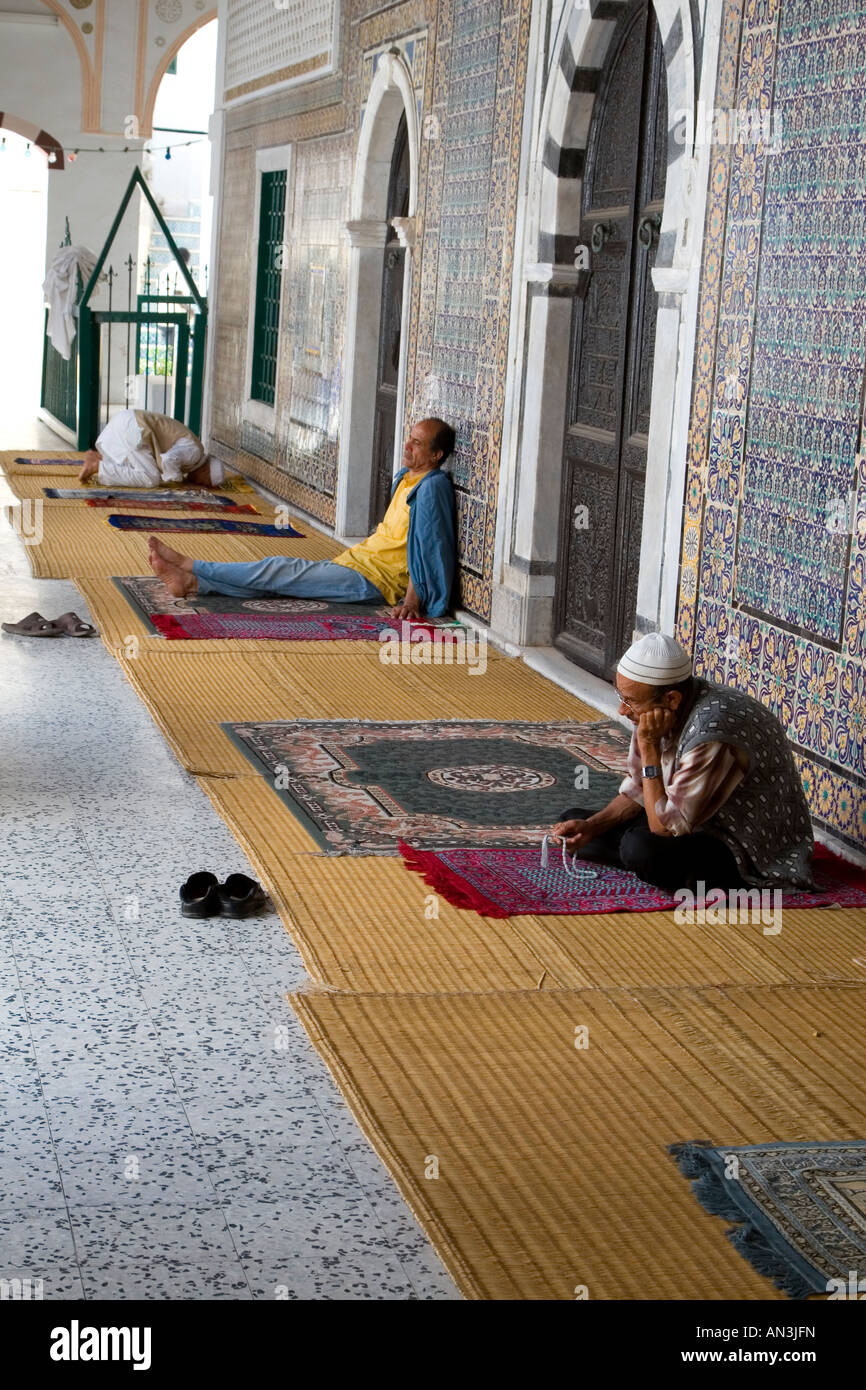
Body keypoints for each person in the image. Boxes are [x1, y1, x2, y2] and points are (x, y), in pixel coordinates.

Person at [551, 632, 814, 893]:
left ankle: (710, 879)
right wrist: (593, 826)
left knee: (640, 848)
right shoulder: (658, 708)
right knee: (575, 824)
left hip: (744, 846)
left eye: (629, 701)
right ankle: (638, 853)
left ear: (672, 699)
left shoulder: (714, 731)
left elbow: (663, 829)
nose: (622, 710)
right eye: (621, 698)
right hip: (691, 819)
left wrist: (650, 748)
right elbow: (639, 788)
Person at [148, 417, 457, 620]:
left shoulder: (432, 488)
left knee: (278, 569)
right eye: (410, 438)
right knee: (280, 582)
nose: (407, 445)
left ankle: (191, 565)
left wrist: (411, 602)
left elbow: (426, 550)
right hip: (355, 562)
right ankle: (192, 584)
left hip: (374, 582)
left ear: (436, 456)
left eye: (418, 443)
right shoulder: (405, 478)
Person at [78, 408, 225, 489]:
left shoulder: (194, 454)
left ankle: (99, 459)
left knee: (135, 469)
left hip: (127, 422)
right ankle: (98, 466)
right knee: (150, 478)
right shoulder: (195, 453)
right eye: (206, 482)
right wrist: (176, 481)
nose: (200, 484)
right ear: (207, 470)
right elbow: (168, 460)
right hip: (134, 429)